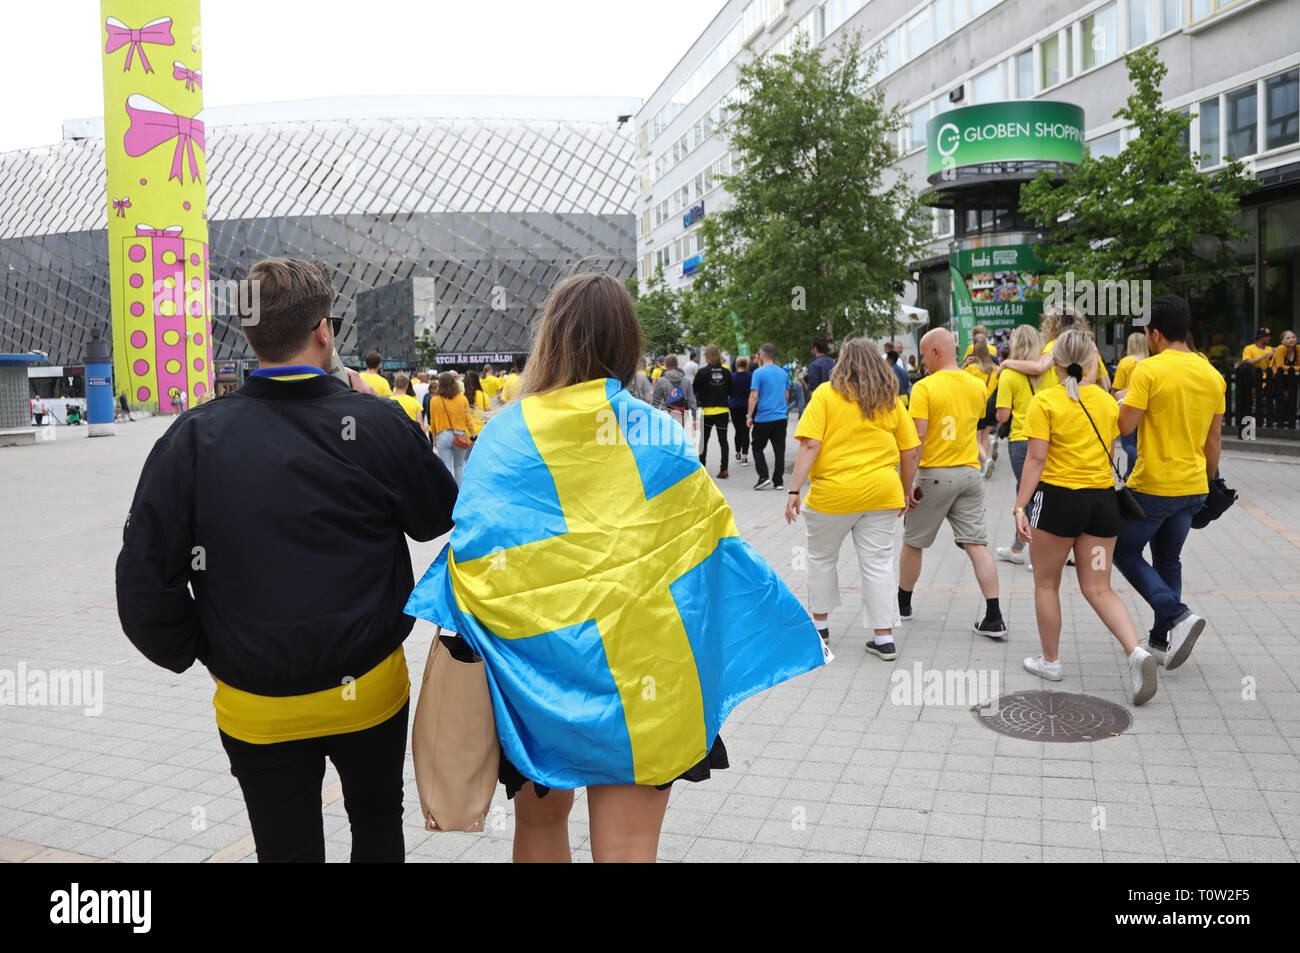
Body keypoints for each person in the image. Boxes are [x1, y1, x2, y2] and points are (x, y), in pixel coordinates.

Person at [403, 272, 825, 862]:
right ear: (627, 344)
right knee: (628, 849)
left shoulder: (504, 434)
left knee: (540, 829)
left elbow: (470, 561)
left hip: (533, 676)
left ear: (550, 338)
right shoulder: (658, 433)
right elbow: (713, 551)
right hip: (643, 674)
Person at [116, 257, 458, 863]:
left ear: (249, 336)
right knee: (378, 825)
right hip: (369, 685)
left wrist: (202, 651)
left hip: (255, 697)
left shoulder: (192, 438)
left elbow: (145, 579)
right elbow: (435, 516)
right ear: (324, 330)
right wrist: (386, 422)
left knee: (284, 847)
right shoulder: (374, 422)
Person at [1014, 329, 1157, 705]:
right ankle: (1135, 652)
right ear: (1093, 363)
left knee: (1046, 583)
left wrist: (1019, 506)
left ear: (1055, 365)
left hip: (1058, 503)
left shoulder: (1044, 401)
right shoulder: (1108, 403)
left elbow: (1037, 459)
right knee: (1099, 587)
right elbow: (1111, 446)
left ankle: (1050, 661)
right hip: (1101, 506)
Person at [786, 338, 920, 660]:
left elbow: (809, 446)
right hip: (881, 492)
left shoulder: (825, 395)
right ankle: (884, 637)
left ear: (842, 362)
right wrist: (904, 488)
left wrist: (793, 490)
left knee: (821, 558)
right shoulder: (888, 399)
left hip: (833, 494)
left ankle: (820, 627)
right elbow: (911, 451)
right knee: (877, 563)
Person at [1114, 295, 1224, 669]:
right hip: (1193, 484)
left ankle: (1178, 615)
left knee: (1123, 552)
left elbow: (1124, 425)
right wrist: (1206, 485)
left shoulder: (1148, 371)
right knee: (1168, 560)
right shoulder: (1212, 374)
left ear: (1155, 333)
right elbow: (1214, 440)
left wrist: (1122, 400)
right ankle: (1161, 641)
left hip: (1154, 484)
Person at [899, 328, 1006, 638]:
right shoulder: (976, 386)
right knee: (976, 543)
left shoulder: (924, 388)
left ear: (935, 352)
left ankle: (902, 604)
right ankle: (994, 616)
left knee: (913, 542)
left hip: (934, 475)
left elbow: (917, 439)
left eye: (923, 354)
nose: (921, 361)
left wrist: (906, 485)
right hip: (970, 473)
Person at [994, 324, 1043, 570]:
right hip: (1048, 439)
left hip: (1021, 439)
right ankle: (1017, 546)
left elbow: (1003, 415)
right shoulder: (1050, 371)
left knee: (1027, 494)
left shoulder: (1009, 374)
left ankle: (1035, 551)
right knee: (1040, 493)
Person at [747, 343, 790, 491]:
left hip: (764, 418)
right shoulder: (784, 373)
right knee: (779, 450)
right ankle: (778, 481)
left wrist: (749, 415)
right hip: (781, 417)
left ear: (763, 355)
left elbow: (754, 396)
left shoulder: (758, 373)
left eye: (759, 355)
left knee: (757, 447)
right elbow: (787, 395)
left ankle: (763, 477)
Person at [1111, 332, 1150, 479]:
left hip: (1127, 405)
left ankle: (1139, 465)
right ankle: (1130, 473)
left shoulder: (1126, 362)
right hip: (1145, 408)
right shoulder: (1149, 362)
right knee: (1139, 443)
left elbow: (1116, 388)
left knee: (1128, 444)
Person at [693, 345, 732, 479]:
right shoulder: (726, 372)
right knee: (723, 441)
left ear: (708, 356)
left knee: (703, 441)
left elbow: (694, 389)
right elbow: (731, 391)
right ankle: (724, 469)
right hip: (722, 411)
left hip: (707, 411)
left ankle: (702, 468)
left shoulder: (702, 372)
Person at [426, 371, 472, 484]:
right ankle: (459, 492)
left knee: (446, 467)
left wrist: (434, 439)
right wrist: (473, 435)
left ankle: (448, 494)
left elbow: (433, 421)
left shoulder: (434, 401)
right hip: (460, 435)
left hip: (443, 435)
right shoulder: (462, 399)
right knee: (459, 466)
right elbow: (468, 419)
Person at [963, 339, 1000, 478]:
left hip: (978, 406)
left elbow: (956, 379)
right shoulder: (996, 369)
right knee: (985, 436)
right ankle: (987, 463)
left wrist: (965, 364)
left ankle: (985, 459)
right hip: (993, 406)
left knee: (976, 438)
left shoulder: (972, 369)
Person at [651, 354, 695, 431]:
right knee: (679, 435)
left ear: (666, 365)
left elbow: (655, 401)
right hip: (683, 413)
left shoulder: (661, 381)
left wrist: (652, 417)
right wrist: (695, 417)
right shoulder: (686, 381)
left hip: (667, 413)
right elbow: (692, 400)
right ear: (677, 364)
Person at [729, 357, 752, 468]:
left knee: (738, 430)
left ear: (737, 365)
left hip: (734, 406)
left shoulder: (732, 377)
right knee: (746, 431)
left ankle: (737, 452)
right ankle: (745, 457)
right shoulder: (750, 376)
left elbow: (729, 391)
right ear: (746, 365)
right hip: (747, 406)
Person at [464, 369, 490, 447]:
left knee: (466, 459)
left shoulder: (461, 397)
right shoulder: (483, 395)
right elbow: (487, 414)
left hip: (466, 433)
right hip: (481, 432)